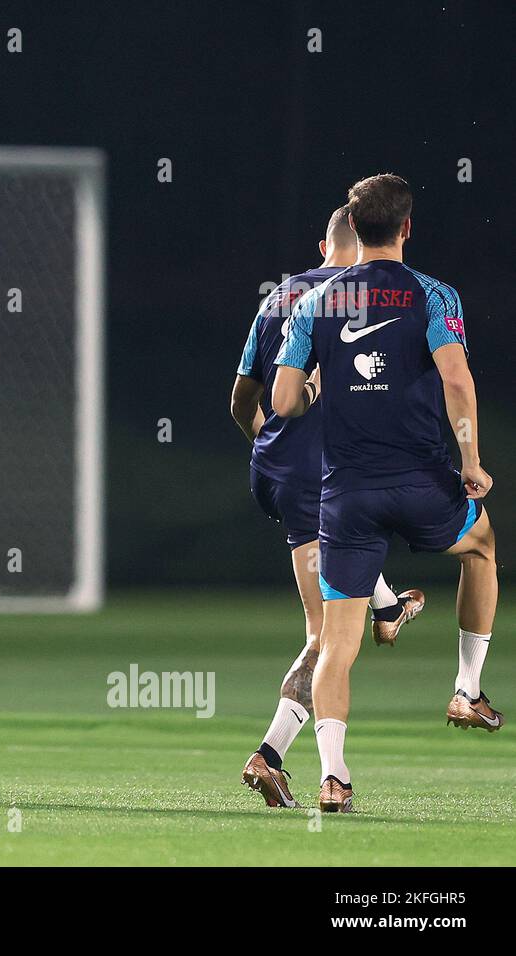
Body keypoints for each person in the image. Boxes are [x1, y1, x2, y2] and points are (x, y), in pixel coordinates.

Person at [273, 174, 501, 813]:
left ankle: (334, 777)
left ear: (354, 226)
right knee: (481, 547)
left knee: (335, 645)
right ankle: (465, 688)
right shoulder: (430, 294)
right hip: (422, 481)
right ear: (406, 228)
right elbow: (457, 379)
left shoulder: (318, 301)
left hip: (346, 493)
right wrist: (471, 460)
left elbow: (284, 401)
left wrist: (319, 383)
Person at [231, 204, 424, 808]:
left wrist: (273, 447)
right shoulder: (372, 300)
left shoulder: (280, 297)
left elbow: (242, 398)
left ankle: (389, 601)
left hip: (278, 473)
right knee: (327, 641)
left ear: (324, 245)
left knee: (325, 626)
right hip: (329, 479)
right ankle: (302, 768)